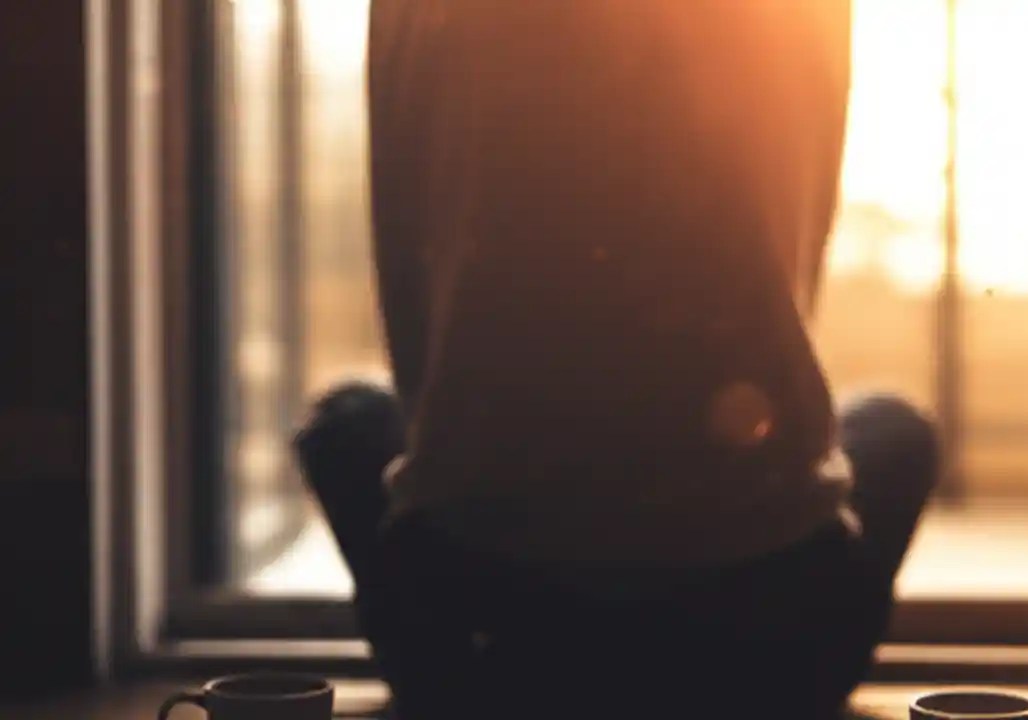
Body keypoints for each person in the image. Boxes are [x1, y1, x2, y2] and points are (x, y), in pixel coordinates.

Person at [296, 1, 938, 717]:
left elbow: (414, 292)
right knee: (896, 430)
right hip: (766, 633)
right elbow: (792, 258)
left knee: (346, 420)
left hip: (483, 627)